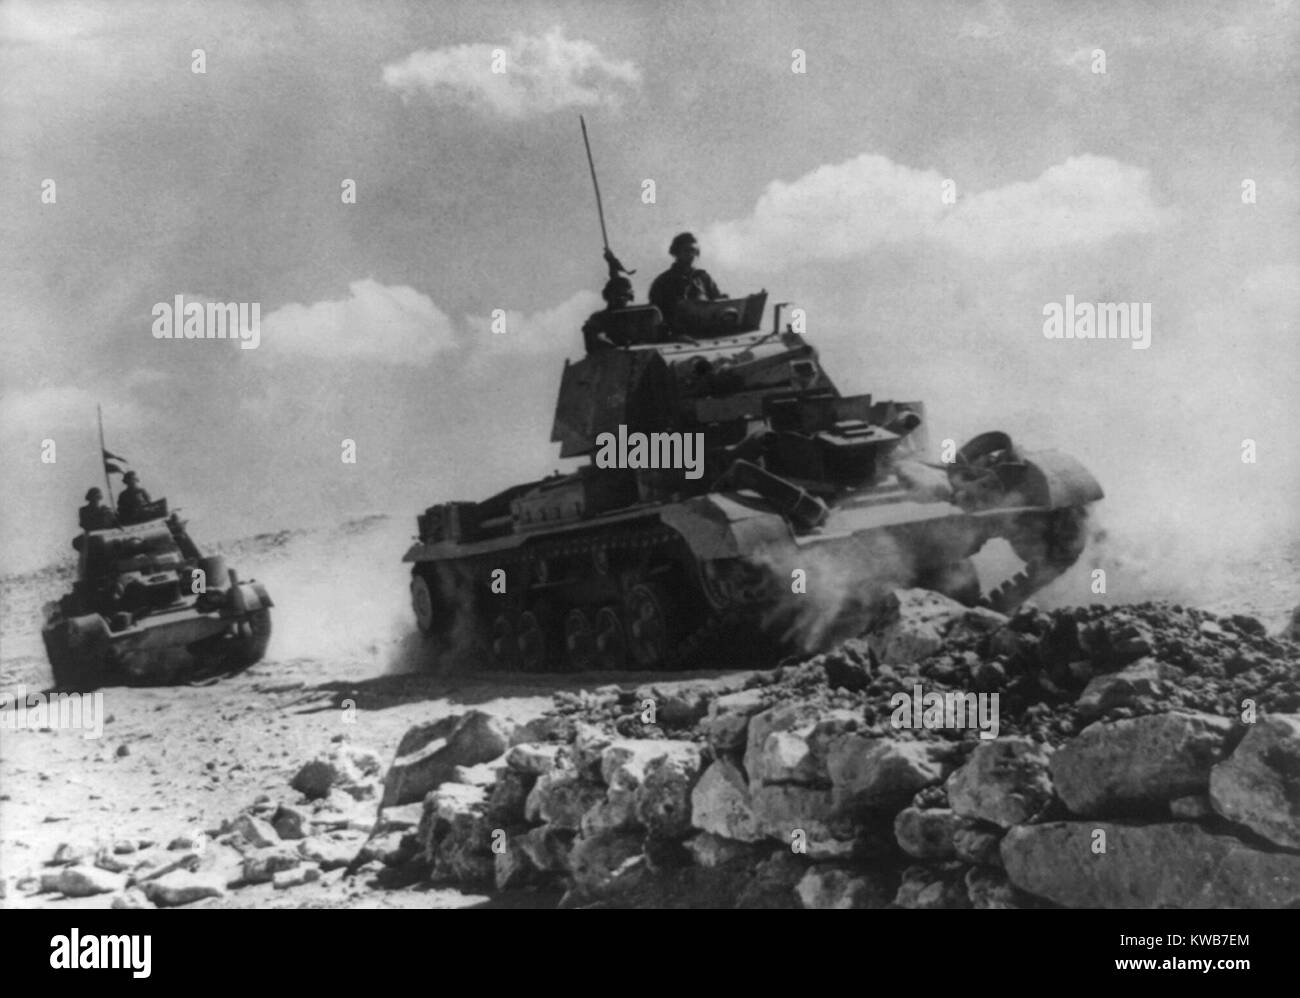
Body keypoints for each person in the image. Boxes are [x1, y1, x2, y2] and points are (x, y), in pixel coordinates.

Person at [648, 232, 725, 332]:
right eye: (687, 251)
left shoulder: (704, 278)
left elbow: (717, 302)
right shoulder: (663, 282)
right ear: (676, 253)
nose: (692, 255)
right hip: (676, 335)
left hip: (706, 331)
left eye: (694, 251)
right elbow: (656, 315)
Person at [582, 276, 636, 351]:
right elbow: (592, 341)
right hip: (606, 357)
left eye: (624, 296)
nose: (620, 299)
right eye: (617, 295)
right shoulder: (598, 318)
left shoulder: (634, 316)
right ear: (608, 296)